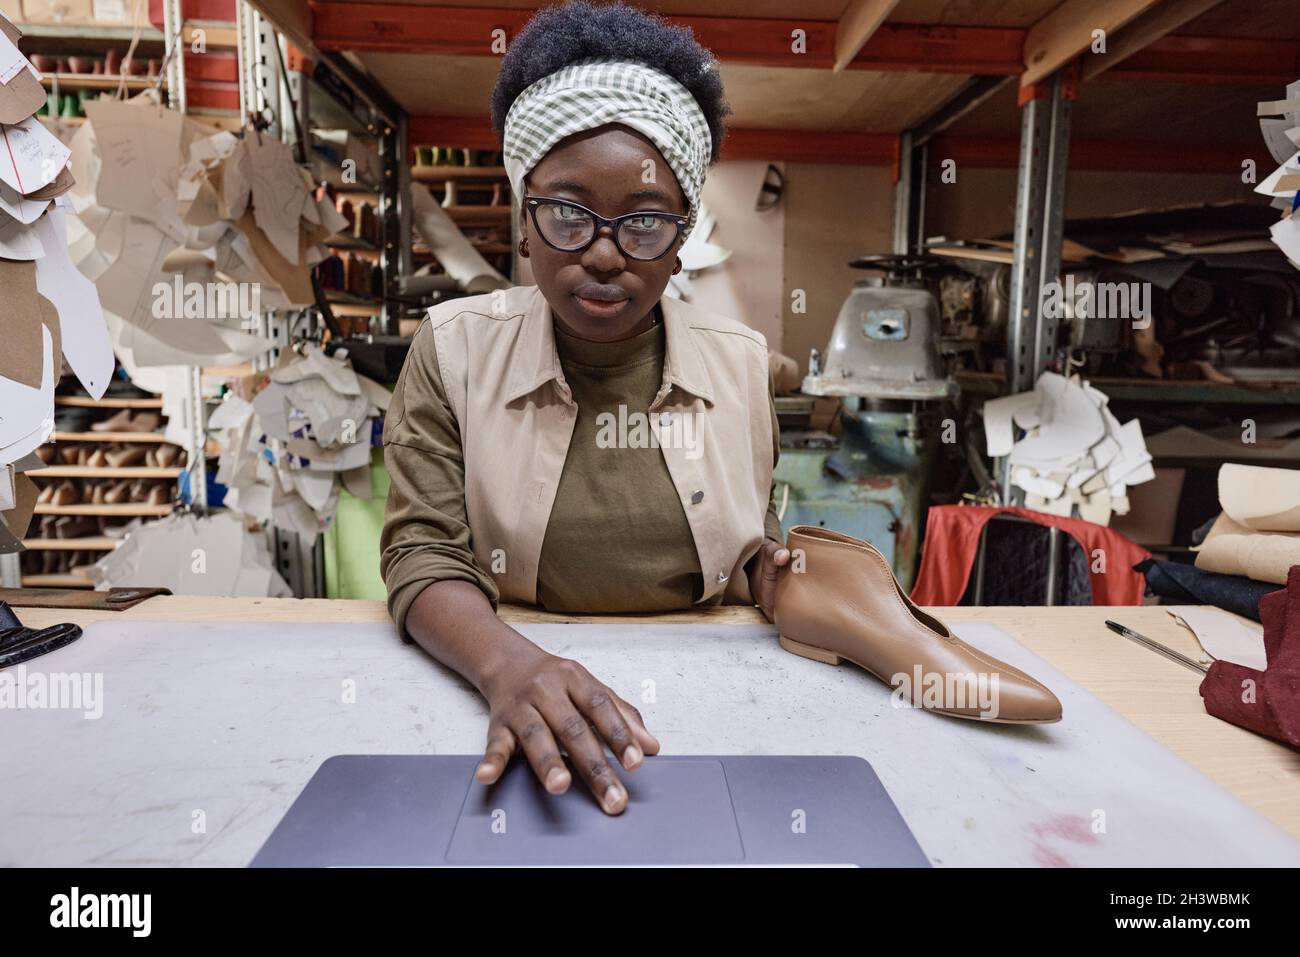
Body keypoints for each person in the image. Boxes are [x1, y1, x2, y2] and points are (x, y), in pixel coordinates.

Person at [380, 1, 788, 815]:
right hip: (507, 676)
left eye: (643, 222)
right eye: (568, 212)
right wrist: (508, 666)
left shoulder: (740, 363)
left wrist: (790, 579)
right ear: (523, 221)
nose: (603, 252)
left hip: (712, 699)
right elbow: (422, 554)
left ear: (680, 240)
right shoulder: (453, 351)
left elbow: (746, 550)